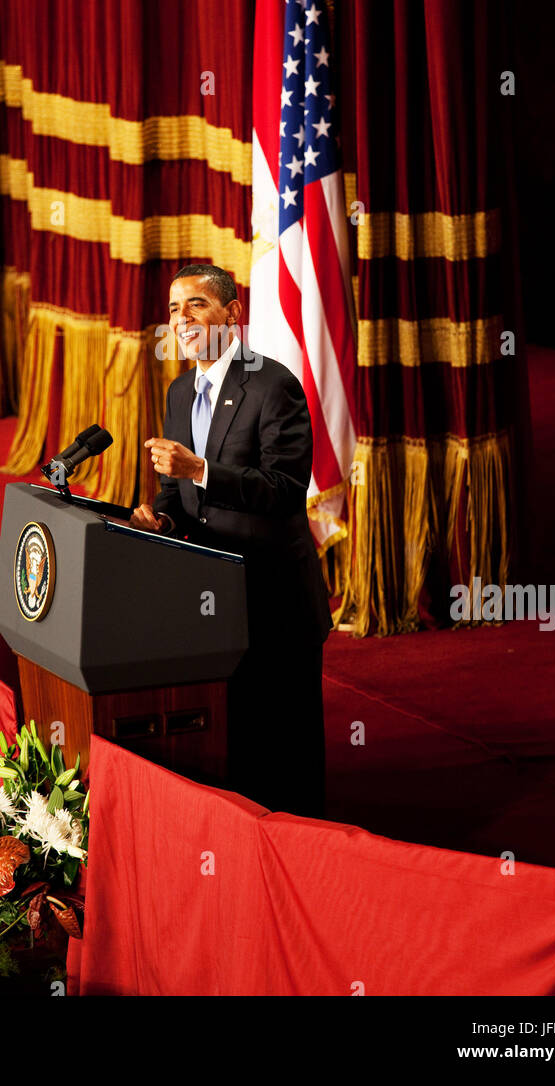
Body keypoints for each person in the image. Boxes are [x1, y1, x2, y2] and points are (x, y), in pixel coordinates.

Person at [129, 263, 332, 818]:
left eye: (195, 304)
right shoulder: (177, 392)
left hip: (274, 602)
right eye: (173, 309)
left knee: (286, 758)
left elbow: (285, 490)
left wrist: (200, 470)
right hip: (212, 604)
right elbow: (176, 497)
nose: (182, 318)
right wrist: (160, 519)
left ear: (232, 314)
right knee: (236, 747)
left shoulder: (272, 385)